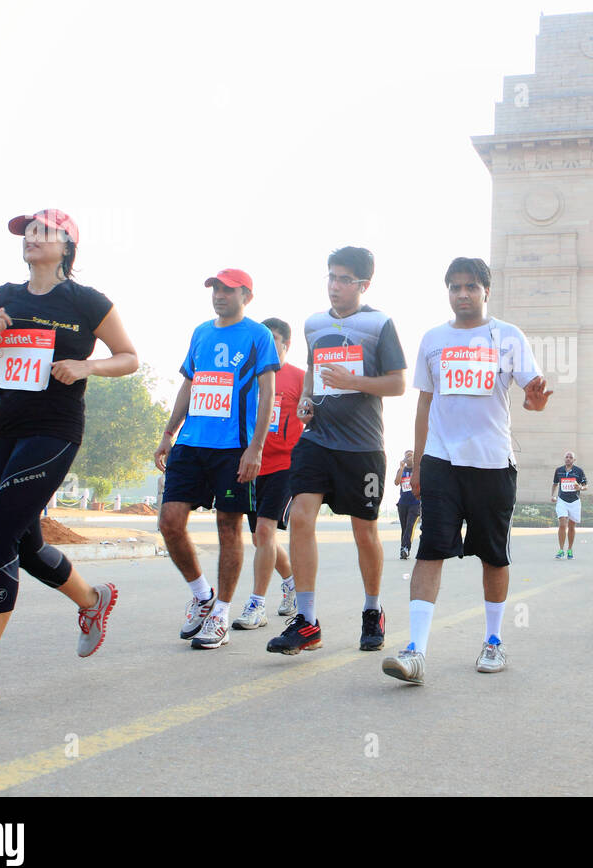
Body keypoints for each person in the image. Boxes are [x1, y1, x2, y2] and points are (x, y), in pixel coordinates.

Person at [0, 208, 139, 710]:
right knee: (25, 542)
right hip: (7, 429)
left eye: (43, 232)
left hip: (55, 429)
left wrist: (86, 365)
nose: (31, 239)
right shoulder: (2, 297)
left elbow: (129, 357)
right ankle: (92, 600)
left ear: (68, 246)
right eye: (26, 233)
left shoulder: (87, 301)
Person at [382, 257, 550, 684]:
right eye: (455, 287)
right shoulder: (433, 339)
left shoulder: (508, 337)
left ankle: (493, 640)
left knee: (493, 555)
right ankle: (416, 650)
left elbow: (531, 396)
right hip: (442, 461)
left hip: (492, 461)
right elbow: (424, 402)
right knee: (431, 548)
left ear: (486, 291)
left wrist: (536, 401)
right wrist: (418, 463)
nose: (463, 294)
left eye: (471, 287)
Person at [268, 247, 406, 655]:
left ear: (364, 284)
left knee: (364, 531)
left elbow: (397, 384)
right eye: (330, 277)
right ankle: (307, 621)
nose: (335, 286)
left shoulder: (379, 324)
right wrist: (305, 401)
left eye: (344, 279)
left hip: (362, 447)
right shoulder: (313, 324)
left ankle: (372, 610)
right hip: (317, 440)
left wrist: (353, 380)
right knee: (301, 518)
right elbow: (313, 370)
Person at [155, 269, 278, 650]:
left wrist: (255, 448)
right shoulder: (200, 332)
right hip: (191, 444)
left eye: (228, 289)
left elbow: (267, 394)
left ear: (247, 296)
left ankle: (221, 613)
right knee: (169, 522)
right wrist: (168, 432)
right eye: (216, 289)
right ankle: (202, 594)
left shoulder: (259, 335)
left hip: (232, 448)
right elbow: (189, 384)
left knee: (229, 528)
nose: (220, 295)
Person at [233, 318, 303, 630]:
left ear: (286, 344)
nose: (265, 343)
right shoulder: (249, 375)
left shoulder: (299, 378)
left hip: (285, 465)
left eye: (272, 339)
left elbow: (315, 419)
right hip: (252, 464)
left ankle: (256, 605)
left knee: (264, 531)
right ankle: (291, 585)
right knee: (262, 537)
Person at [550, 451, 587, 559]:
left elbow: (586, 486)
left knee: (571, 526)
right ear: (564, 459)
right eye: (567, 457)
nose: (568, 459)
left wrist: (580, 488)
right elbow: (555, 484)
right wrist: (552, 495)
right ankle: (561, 550)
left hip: (574, 501)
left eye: (571, 457)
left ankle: (569, 550)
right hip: (562, 500)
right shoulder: (559, 470)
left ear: (574, 460)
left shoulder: (579, 471)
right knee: (562, 524)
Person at [395, 450, 420, 560]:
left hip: (415, 504)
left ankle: (405, 548)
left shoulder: (418, 470)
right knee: (404, 528)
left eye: (410, 456)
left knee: (410, 526)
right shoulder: (402, 470)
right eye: (406, 456)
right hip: (403, 504)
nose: (408, 458)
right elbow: (396, 482)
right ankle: (403, 549)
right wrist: (401, 468)